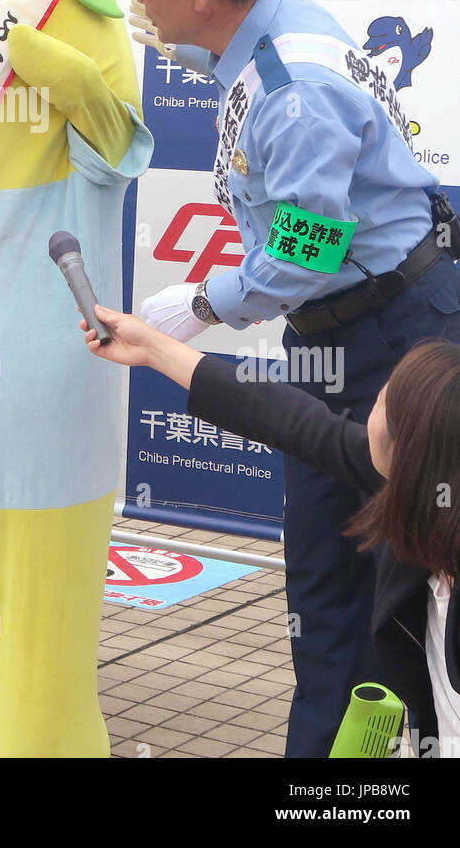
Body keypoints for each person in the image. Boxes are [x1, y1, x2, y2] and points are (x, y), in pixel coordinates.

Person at [96, 0, 460, 758]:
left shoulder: (291, 89)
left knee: (387, 598)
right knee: (323, 585)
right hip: (336, 333)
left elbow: (304, 249)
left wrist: (198, 305)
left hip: (391, 340)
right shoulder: (262, 31)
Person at [82, 306, 460, 758]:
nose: (372, 403)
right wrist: (153, 348)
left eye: (382, 403)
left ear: (409, 450)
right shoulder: (417, 485)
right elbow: (286, 417)